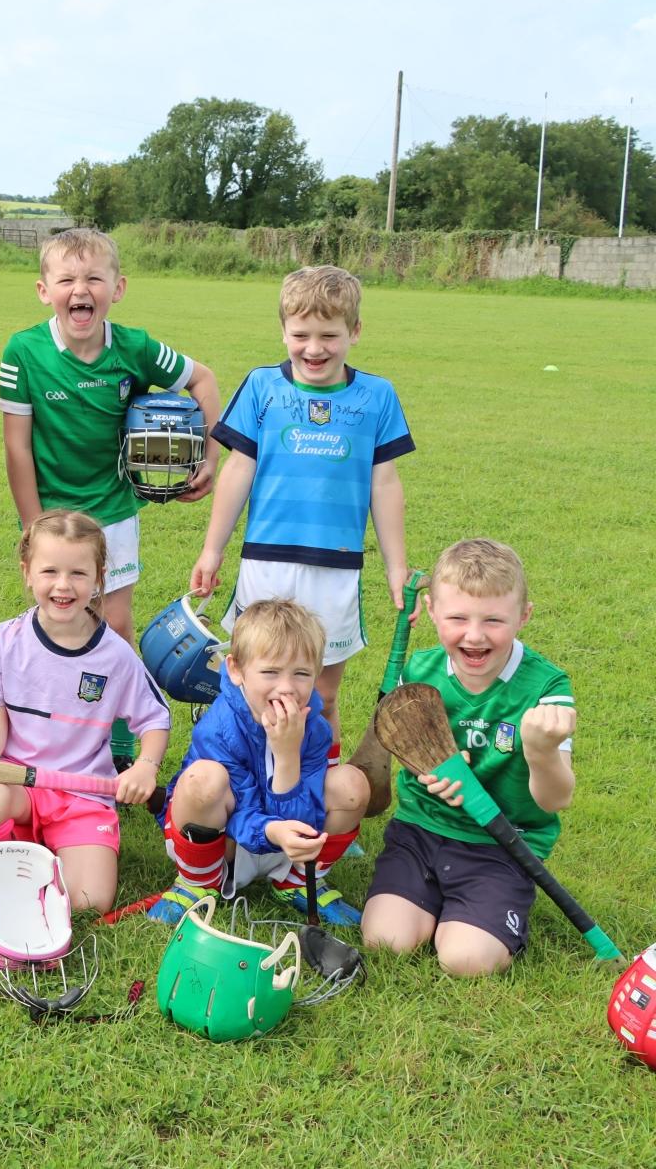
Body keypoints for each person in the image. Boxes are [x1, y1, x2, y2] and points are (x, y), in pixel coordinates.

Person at [0, 227, 219, 769]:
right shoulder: (23, 351)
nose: (81, 289)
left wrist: (211, 457)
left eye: (94, 278)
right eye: (67, 279)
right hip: (53, 511)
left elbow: (206, 381)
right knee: (60, 622)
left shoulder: (136, 347)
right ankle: (55, 735)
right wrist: (35, 528)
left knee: (114, 627)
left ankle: (121, 746)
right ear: (43, 289)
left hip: (114, 508)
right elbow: (17, 449)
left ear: (116, 288)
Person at [192, 264, 412, 745]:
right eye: (301, 334)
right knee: (256, 685)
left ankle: (319, 789)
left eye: (329, 335)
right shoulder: (261, 387)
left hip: (335, 568)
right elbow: (238, 471)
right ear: (283, 330)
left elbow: (385, 484)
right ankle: (247, 783)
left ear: (354, 331)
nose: (314, 348)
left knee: (323, 696)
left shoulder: (377, 396)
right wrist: (213, 550)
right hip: (265, 560)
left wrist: (397, 566)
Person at [361, 539, 577, 977]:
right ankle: (439, 902)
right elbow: (414, 750)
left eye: (493, 621)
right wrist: (430, 773)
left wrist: (541, 751)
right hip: (422, 831)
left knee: (465, 959)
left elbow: (555, 800)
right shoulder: (419, 672)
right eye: (458, 617)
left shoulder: (545, 690)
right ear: (433, 612)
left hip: (501, 845)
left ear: (524, 617)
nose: (474, 635)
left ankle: (478, 907)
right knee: (386, 940)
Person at [0, 510, 170, 912]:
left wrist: (146, 766)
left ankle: (53, 854)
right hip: (18, 786)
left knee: (90, 902)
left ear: (98, 579)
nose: (63, 585)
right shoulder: (4, 642)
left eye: (78, 573)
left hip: (84, 795)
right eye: (49, 571)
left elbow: (155, 719)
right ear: (27, 573)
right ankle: (10, 859)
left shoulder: (116, 656)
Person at [148, 599, 371, 925]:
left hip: (285, 837)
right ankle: (197, 883)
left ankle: (298, 882)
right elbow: (239, 812)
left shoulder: (315, 729)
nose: (286, 687)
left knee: (352, 784)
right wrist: (272, 828)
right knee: (202, 779)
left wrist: (286, 755)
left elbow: (306, 815)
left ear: (317, 673)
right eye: (270, 672)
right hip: (225, 837)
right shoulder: (219, 727)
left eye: (301, 673)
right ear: (236, 669)